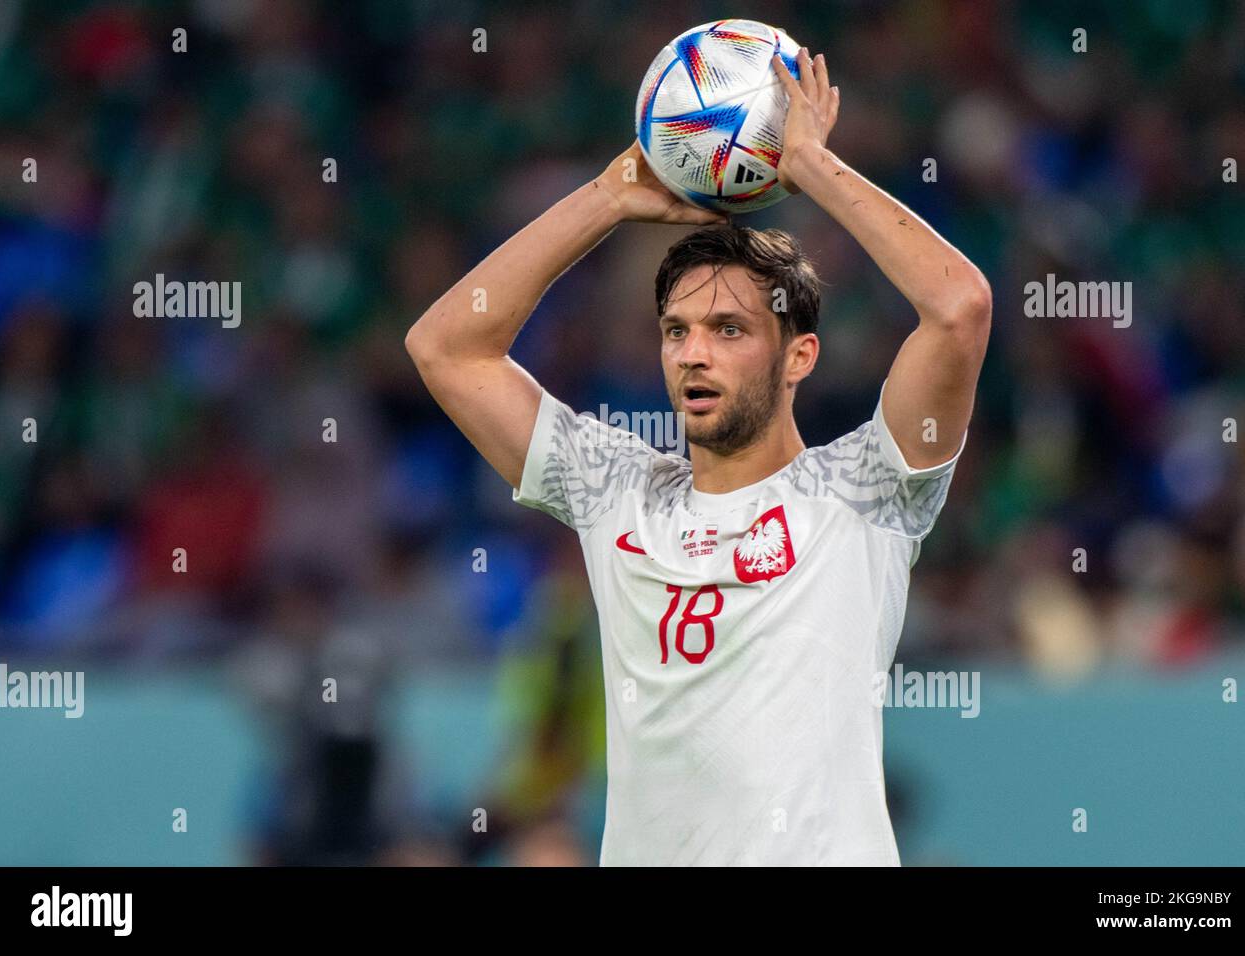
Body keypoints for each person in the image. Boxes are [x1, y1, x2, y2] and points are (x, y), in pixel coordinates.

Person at [405, 47, 991, 865]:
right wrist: (606, 199)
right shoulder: (616, 489)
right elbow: (446, 348)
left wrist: (813, 167)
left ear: (800, 356)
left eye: (729, 330)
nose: (692, 355)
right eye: (676, 332)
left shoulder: (868, 489)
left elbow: (958, 309)